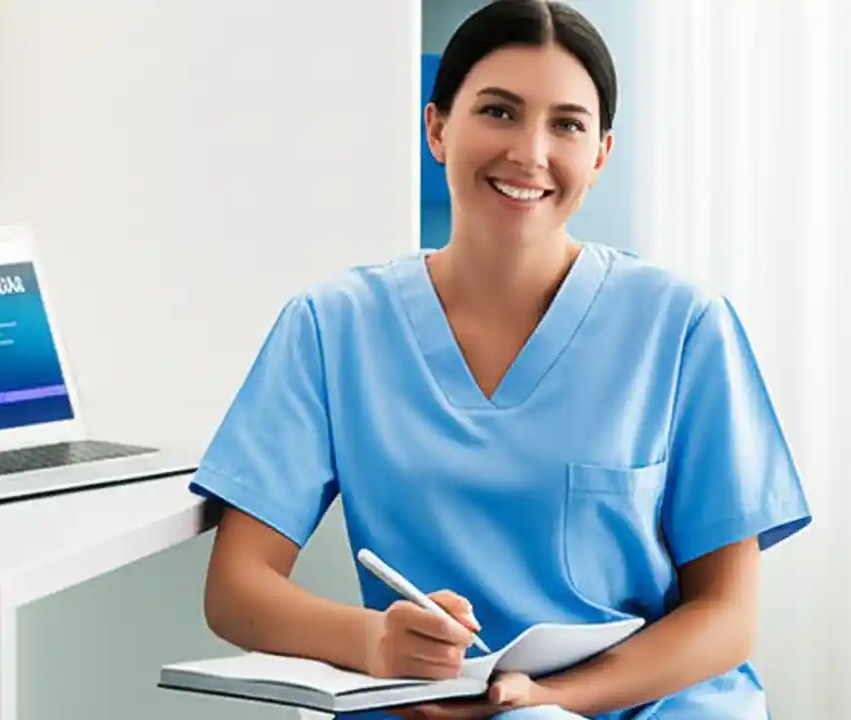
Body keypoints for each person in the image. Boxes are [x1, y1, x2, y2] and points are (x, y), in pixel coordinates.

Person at [188, 1, 811, 718]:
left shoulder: (684, 325)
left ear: (601, 153)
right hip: (429, 705)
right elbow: (237, 587)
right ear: (437, 129)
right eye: (499, 111)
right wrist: (376, 645)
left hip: (649, 705)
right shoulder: (332, 328)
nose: (530, 152)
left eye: (567, 125)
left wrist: (551, 697)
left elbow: (727, 615)